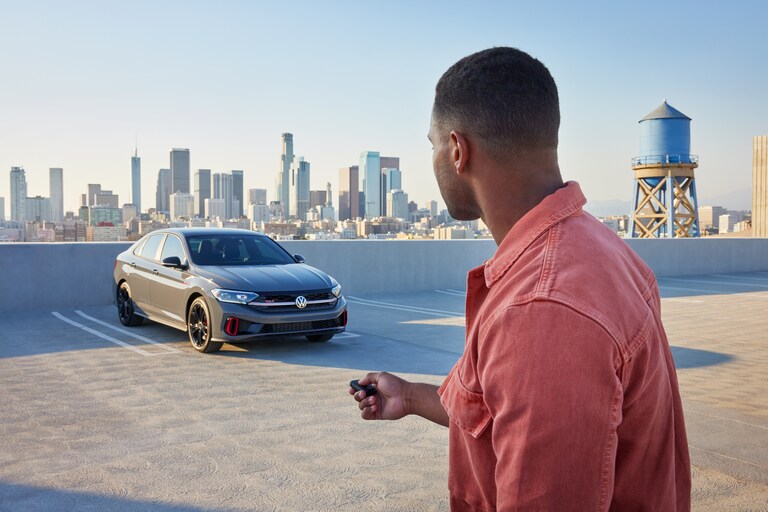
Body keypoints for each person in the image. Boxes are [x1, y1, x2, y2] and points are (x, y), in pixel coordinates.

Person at [350, 47, 691, 511]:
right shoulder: (598, 247)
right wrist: (409, 397)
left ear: (457, 150)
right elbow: (500, 407)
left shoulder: (542, 309)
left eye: (432, 145)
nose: (433, 157)